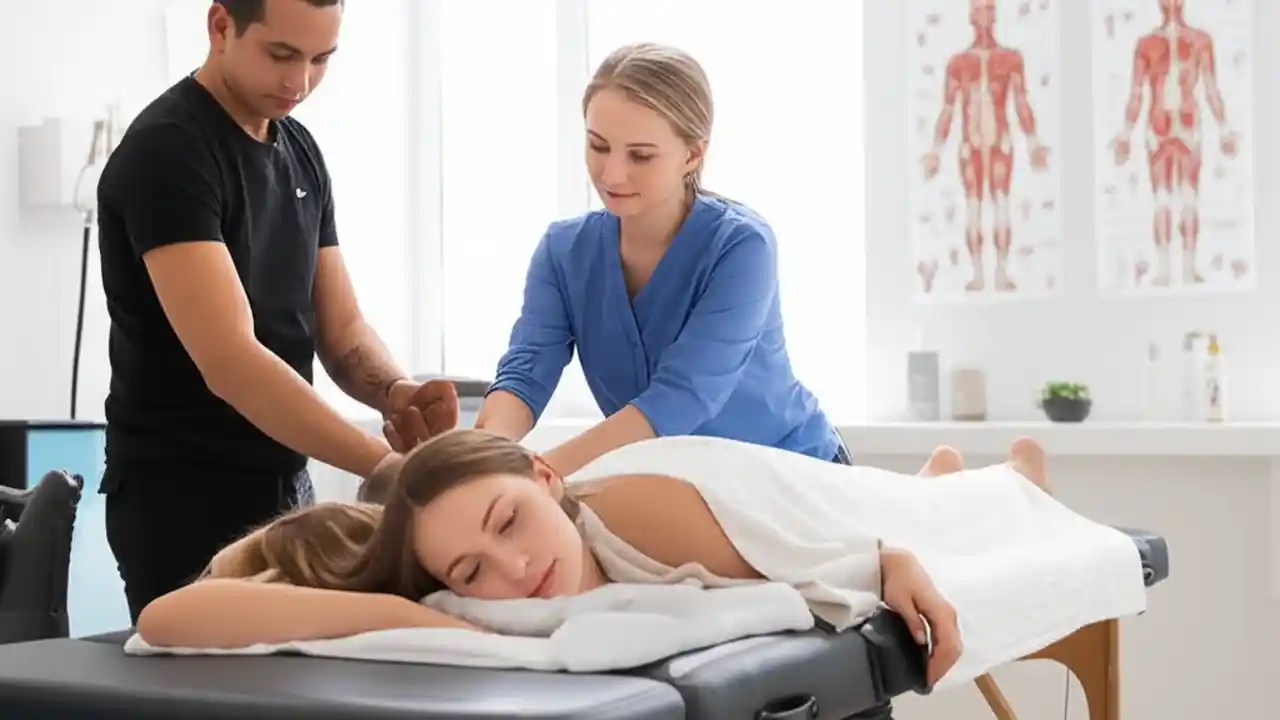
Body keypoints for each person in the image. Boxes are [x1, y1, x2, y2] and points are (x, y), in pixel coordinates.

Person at [136, 430, 1064, 689]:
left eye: (509, 521)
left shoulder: (641, 516)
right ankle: (945, 480)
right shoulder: (448, 597)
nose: (510, 574)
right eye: (467, 577)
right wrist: (416, 614)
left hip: (744, 484)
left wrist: (891, 556)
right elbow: (168, 619)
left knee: (939, 515)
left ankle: (1001, 476)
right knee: (917, 505)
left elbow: (831, 552)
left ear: (546, 477)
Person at [94, 0, 456, 624]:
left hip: (285, 487)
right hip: (180, 497)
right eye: (282, 55)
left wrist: (394, 393)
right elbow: (231, 362)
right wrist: (385, 468)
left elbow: (340, 333)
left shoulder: (300, 150)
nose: (301, 82)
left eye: (321, 60)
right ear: (220, 26)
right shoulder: (169, 153)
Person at [386, 42, 845, 478]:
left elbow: (682, 397)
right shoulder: (564, 252)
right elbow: (526, 372)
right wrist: (481, 455)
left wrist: (535, 471)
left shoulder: (742, 247)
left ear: (693, 152)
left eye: (640, 155)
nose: (612, 173)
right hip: (678, 488)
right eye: (598, 146)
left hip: (793, 473)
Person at [919, 0, 1050, 293]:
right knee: (974, 207)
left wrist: (1033, 142)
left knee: (1001, 205)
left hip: (1000, 141)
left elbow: (1021, 102)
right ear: (970, 15)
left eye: (990, 8)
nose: (985, 15)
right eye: (979, 8)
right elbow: (948, 110)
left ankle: (1001, 272)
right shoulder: (958, 63)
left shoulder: (1010, 59)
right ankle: (978, 274)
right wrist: (935, 151)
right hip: (971, 145)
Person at [1109, 0, 1240, 287]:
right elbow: (1136, 92)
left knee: (1189, 200)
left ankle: (1189, 268)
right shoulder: (1146, 44)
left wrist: (1225, 128)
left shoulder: (1200, 41)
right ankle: (1165, 269)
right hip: (1158, 128)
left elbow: (1210, 87)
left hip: (1189, 126)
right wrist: (1125, 133)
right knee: (1162, 201)